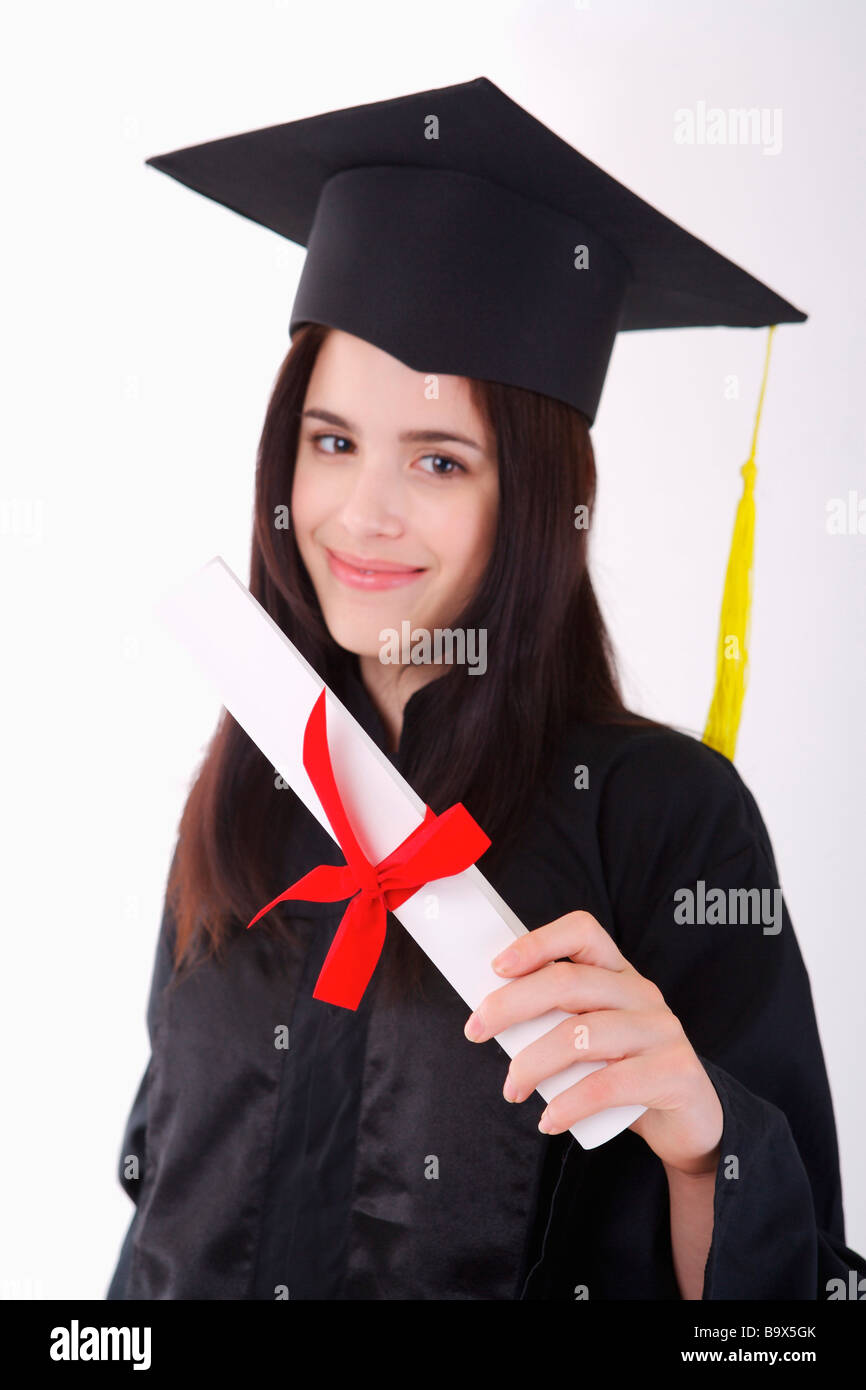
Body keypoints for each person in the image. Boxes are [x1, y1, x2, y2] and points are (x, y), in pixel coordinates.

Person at [106, 78, 865, 1300]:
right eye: (333, 439)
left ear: (535, 500)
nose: (363, 512)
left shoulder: (665, 817)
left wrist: (705, 1145)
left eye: (440, 459)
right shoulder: (248, 786)